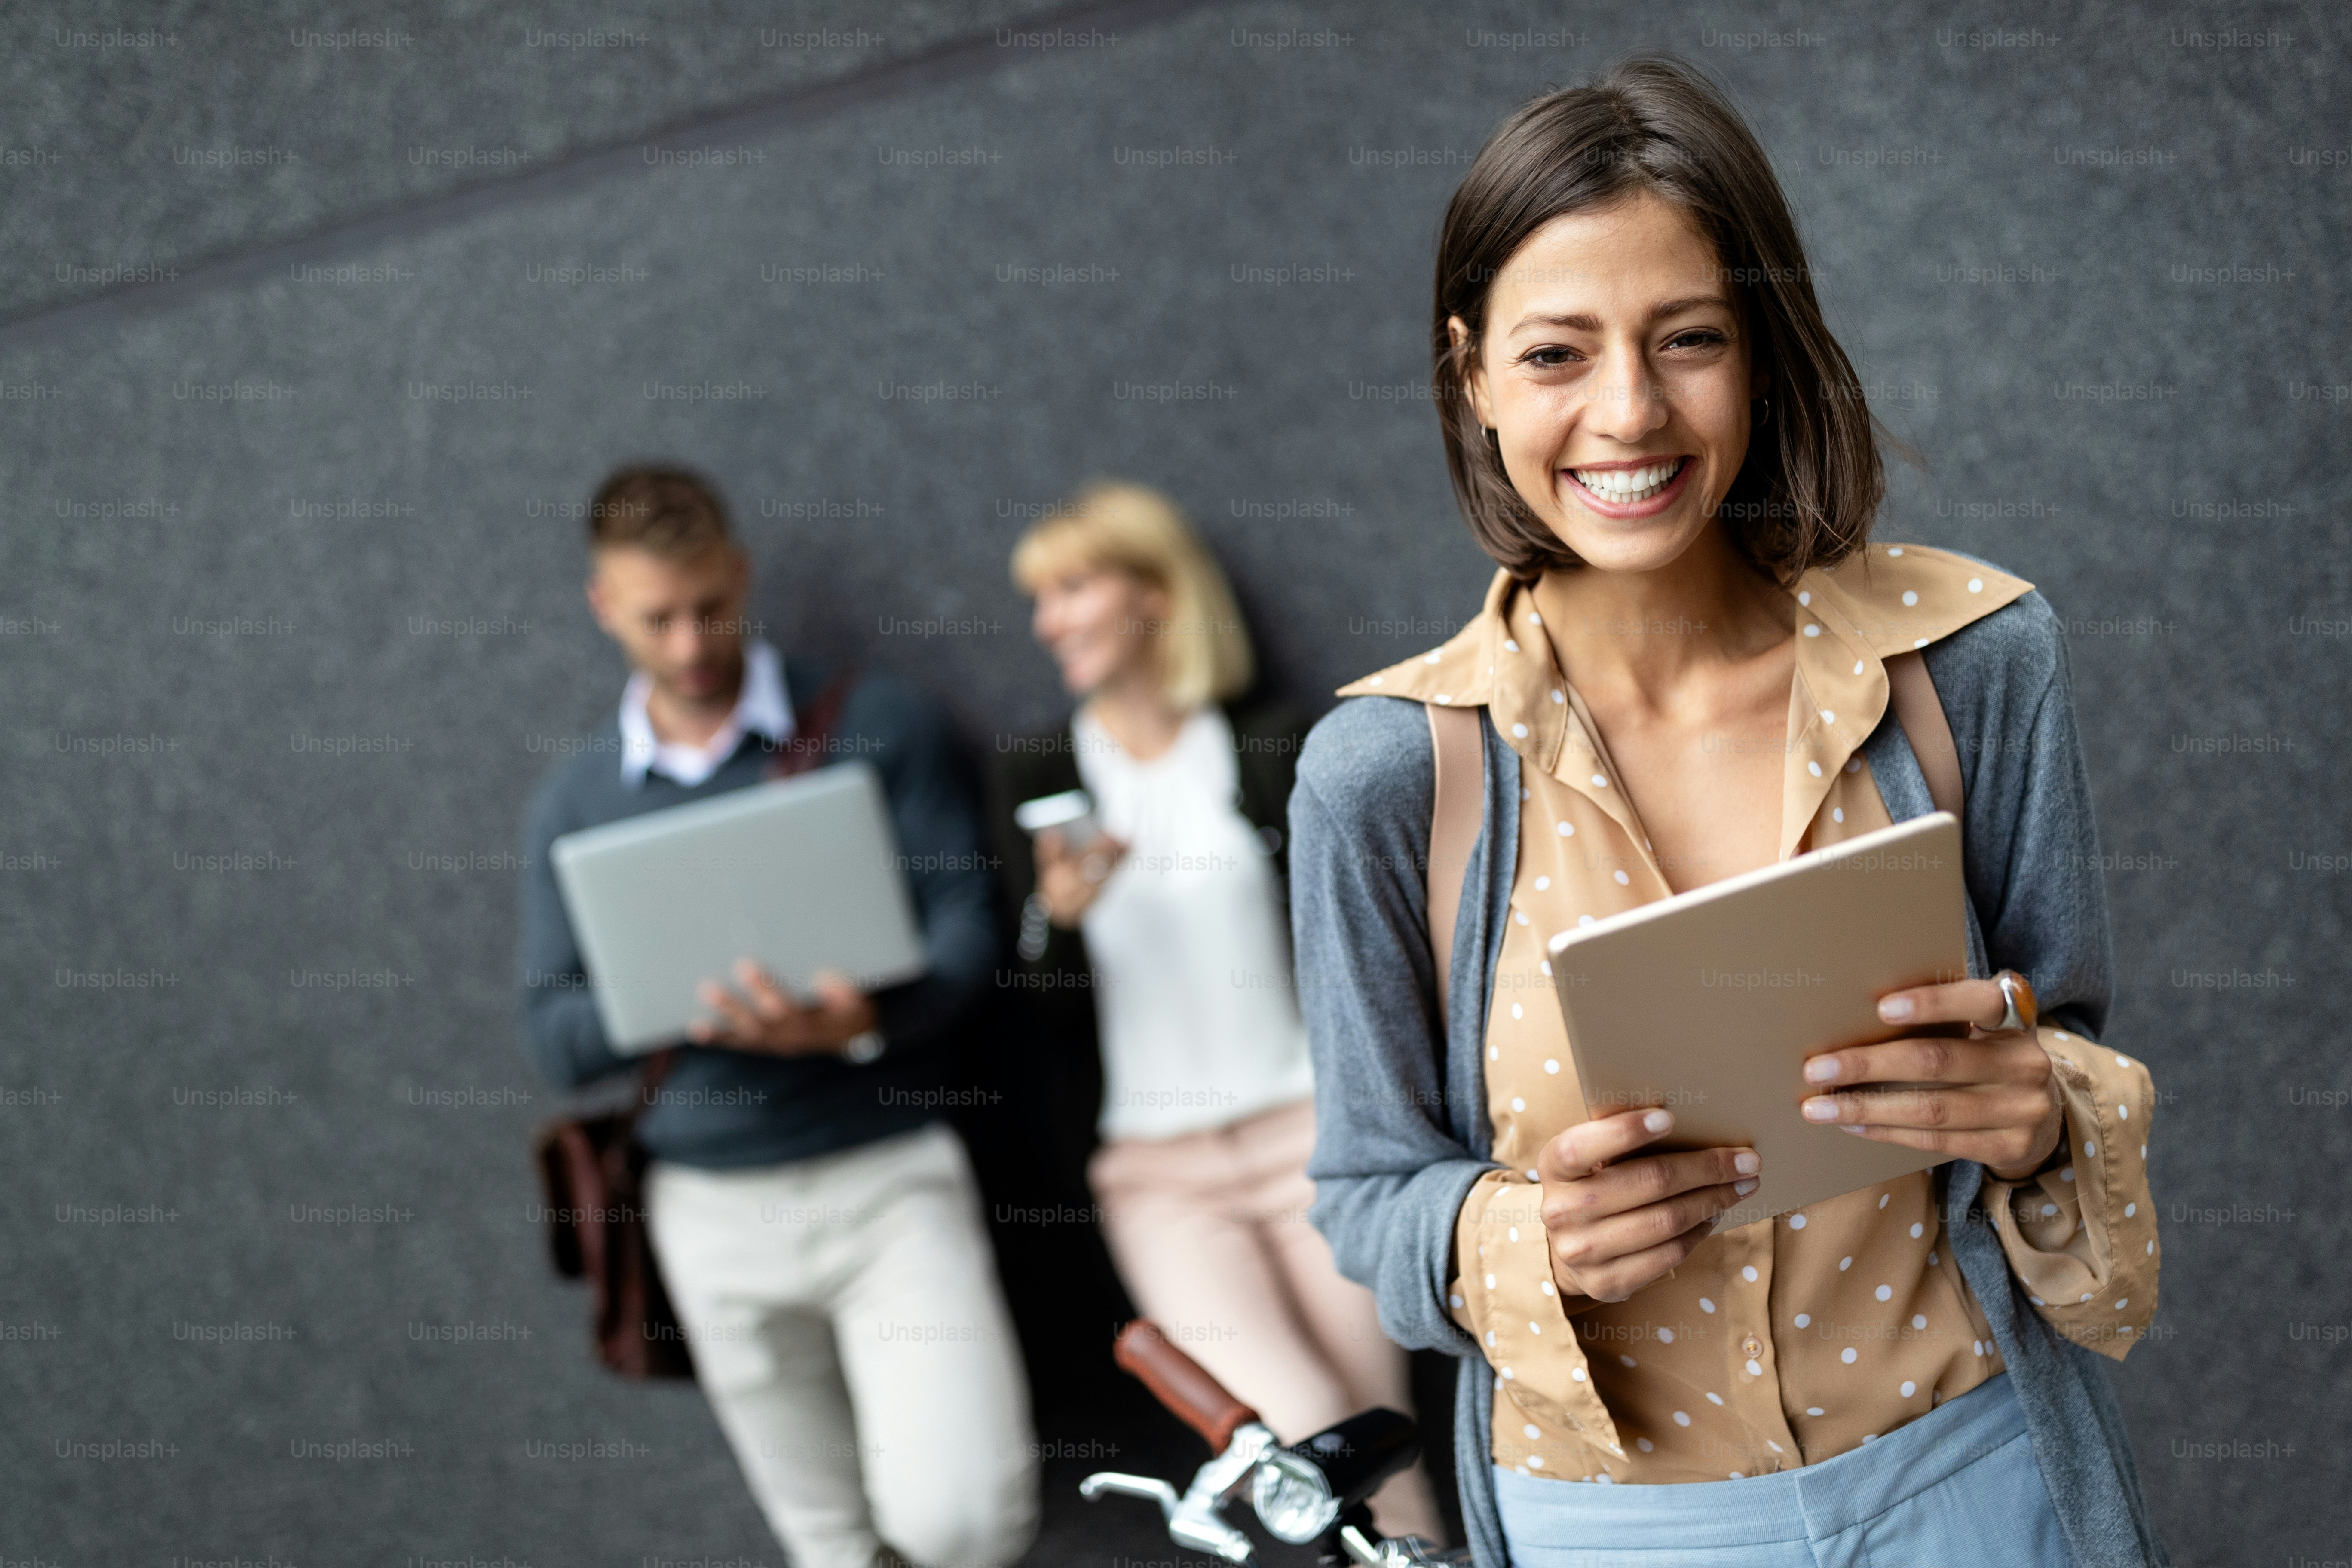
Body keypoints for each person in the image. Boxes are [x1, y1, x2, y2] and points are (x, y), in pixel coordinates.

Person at [1289, 58, 2167, 1566]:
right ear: (1471, 375)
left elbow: (2059, 1028)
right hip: (1616, 1527)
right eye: (1557, 352)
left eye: (1687, 338)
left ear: (1759, 350)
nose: (1628, 412)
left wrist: (2040, 1107)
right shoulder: (1381, 775)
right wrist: (1515, 1237)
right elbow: (1369, 1194)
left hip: (1970, 1476)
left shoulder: (1974, 661)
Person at [517, 467, 1037, 1568]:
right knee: (827, 1545)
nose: (691, 639)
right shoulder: (575, 801)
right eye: (657, 616)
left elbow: (969, 941)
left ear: (741, 576)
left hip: (886, 1176)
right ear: (604, 607)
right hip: (707, 1213)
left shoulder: (880, 721)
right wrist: (680, 995)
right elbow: (554, 1036)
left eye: (709, 605)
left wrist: (858, 1022)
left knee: (963, 1520)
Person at [986, 481, 1444, 1540]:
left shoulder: (1271, 747)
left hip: (1316, 1147)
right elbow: (1029, 1006)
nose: (1047, 622)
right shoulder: (1040, 771)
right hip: (1161, 1176)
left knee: (1372, 1437)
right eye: (1037, 600)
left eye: (1071, 589)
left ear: (1153, 595)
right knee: (1308, 1434)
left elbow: (1362, 941)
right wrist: (1054, 919)